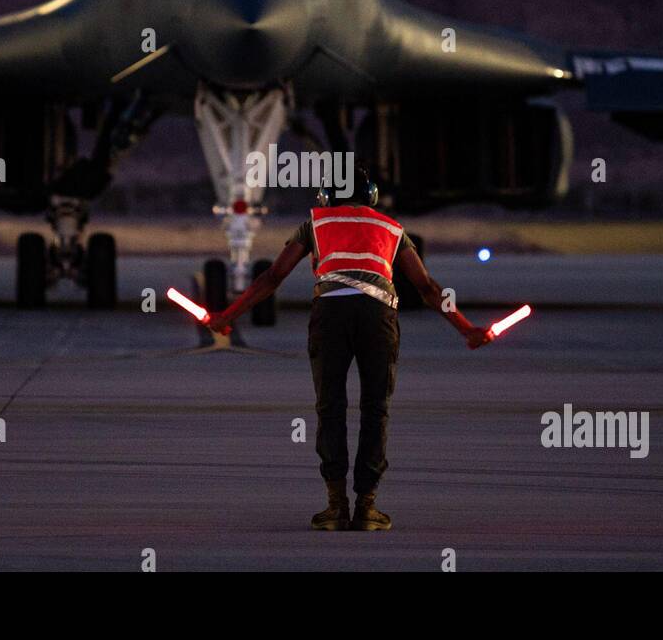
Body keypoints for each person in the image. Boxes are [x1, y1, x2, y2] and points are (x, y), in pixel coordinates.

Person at [206, 164, 492, 531]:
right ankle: (368, 508)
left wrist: (227, 315)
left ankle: (335, 506)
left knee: (331, 407)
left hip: (331, 315)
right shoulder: (391, 228)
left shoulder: (316, 223)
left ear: (326, 196)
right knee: (376, 408)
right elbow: (427, 288)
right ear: (370, 194)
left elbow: (273, 276)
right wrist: (466, 329)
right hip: (379, 317)